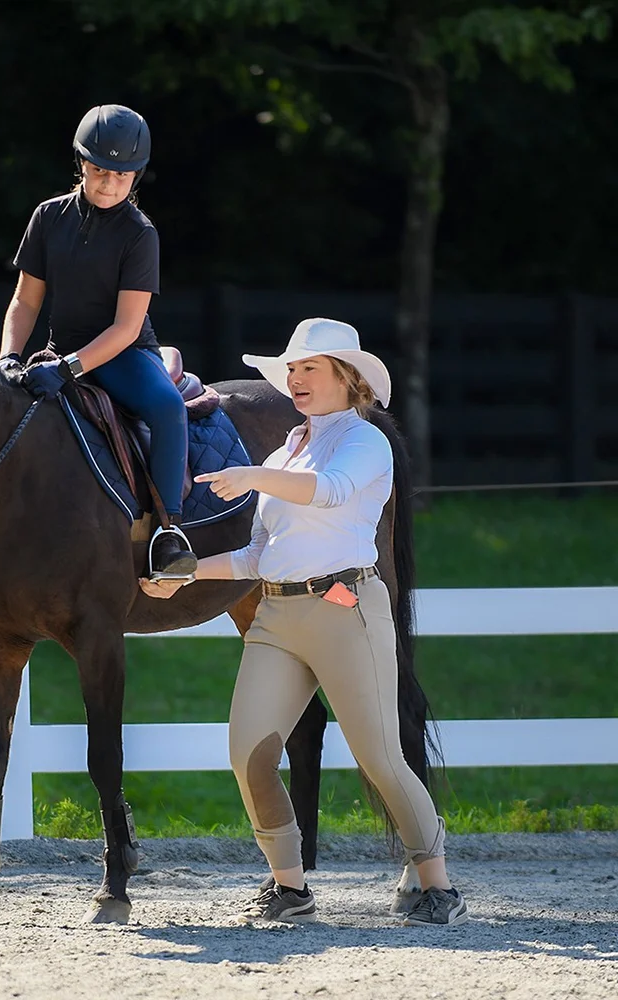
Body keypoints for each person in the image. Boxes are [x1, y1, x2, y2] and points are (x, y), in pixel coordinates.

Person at [139, 318, 468, 927]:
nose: (295, 379)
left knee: (381, 756)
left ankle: (435, 881)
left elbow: (334, 492)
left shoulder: (365, 443)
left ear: (348, 379)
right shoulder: (285, 450)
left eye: (308, 369)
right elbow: (255, 555)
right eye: (291, 370)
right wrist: (185, 573)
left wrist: (254, 476)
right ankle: (290, 885)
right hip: (278, 614)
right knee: (249, 754)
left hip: (347, 610)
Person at [0, 103, 196, 579]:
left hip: (124, 354)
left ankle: (169, 530)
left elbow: (127, 327)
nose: (109, 185)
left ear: (137, 177)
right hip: (59, 351)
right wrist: (8, 357)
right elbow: (25, 301)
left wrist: (66, 370)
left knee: (168, 408)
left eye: (122, 176)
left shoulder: (140, 235)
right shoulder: (47, 218)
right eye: (100, 171)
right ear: (82, 164)